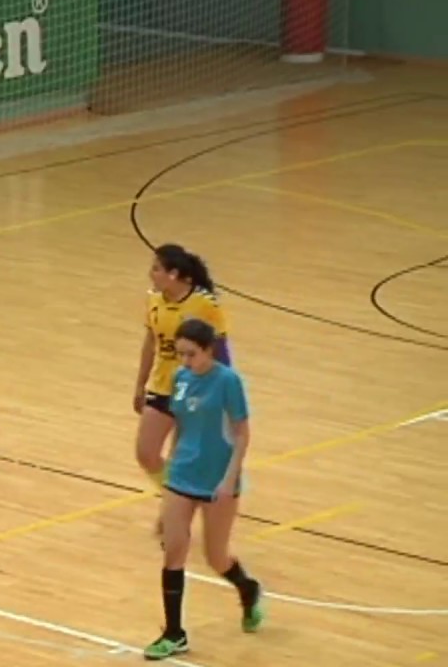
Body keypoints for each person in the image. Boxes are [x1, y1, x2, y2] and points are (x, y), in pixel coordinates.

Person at [144, 318, 263, 660]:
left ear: (209, 351)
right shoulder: (180, 379)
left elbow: (242, 433)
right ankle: (174, 633)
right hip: (182, 476)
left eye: (191, 355)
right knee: (174, 551)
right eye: (180, 354)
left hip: (217, 481)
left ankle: (247, 588)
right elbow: (181, 426)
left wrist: (229, 480)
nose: (185, 362)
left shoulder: (228, 381)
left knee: (216, 556)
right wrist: (169, 475)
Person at [133, 244, 230, 536]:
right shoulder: (153, 300)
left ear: (174, 274)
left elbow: (221, 350)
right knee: (146, 453)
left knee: (180, 459)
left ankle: (175, 512)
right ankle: (177, 499)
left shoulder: (204, 304)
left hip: (195, 390)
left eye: (156, 269)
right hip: (162, 385)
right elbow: (150, 341)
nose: (151, 274)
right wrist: (140, 383)